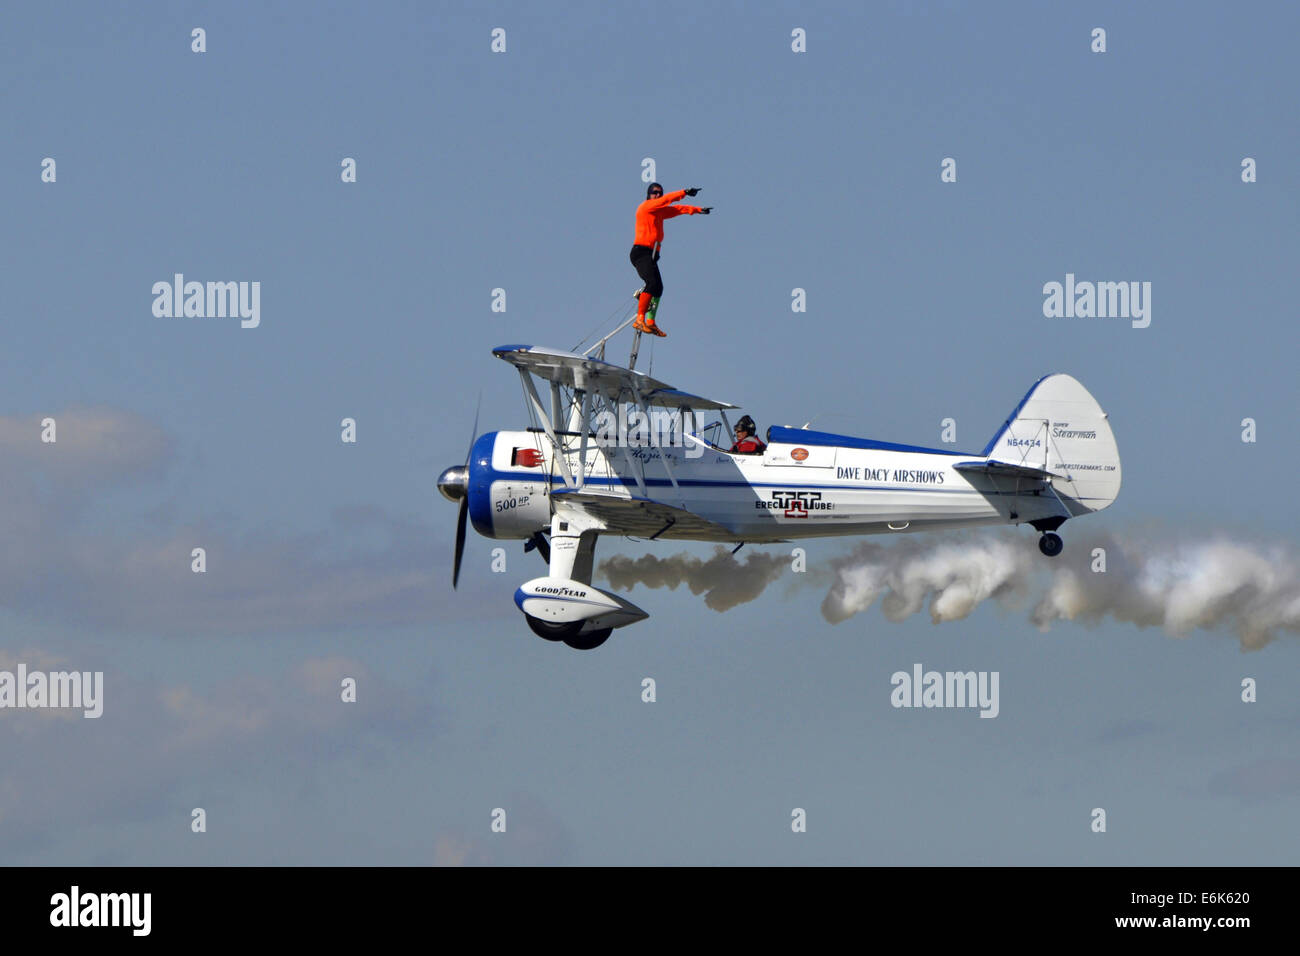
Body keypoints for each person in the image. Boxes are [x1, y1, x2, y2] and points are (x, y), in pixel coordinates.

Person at [630, 183, 711, 336]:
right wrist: (684, 192)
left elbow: (678, 209)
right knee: (652, 284)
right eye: (655, 192)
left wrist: (698, 210)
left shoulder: (660, 212)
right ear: (649, 194)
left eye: (660, 192)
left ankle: (651, 322)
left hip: (651, 255)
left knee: (658, 288)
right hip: (641, 252)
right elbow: (666, 200)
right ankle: (639, 319)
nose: (658, 195)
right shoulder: (646, 207)